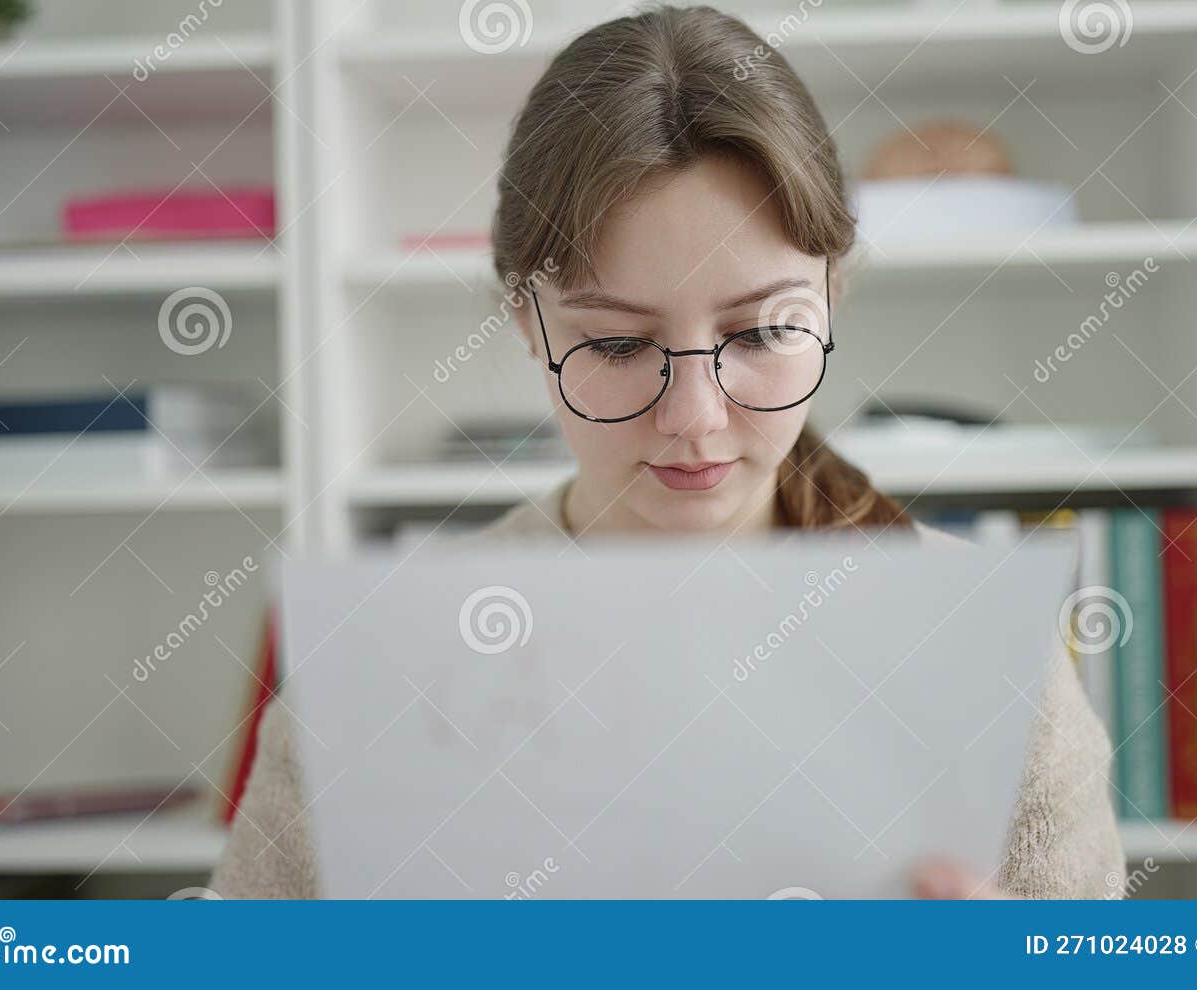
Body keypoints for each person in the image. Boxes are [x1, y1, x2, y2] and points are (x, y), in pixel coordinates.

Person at [210, 4, 1123, 900]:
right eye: (615, 346)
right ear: (527, 321)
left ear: (832, 299)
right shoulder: (387, 666)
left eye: (765, 331)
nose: (693, 417)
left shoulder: (979, 653)